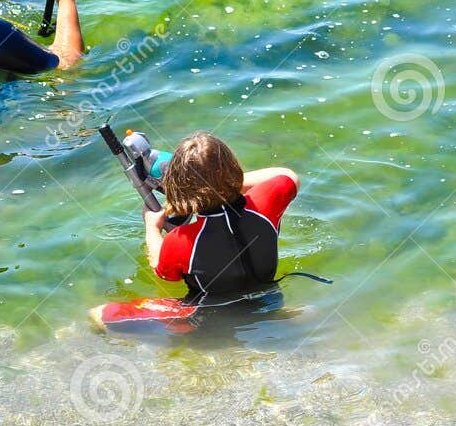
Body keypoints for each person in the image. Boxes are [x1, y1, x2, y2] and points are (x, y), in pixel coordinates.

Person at [90, 132, 299, 327]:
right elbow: (286, 174)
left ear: (181, 190)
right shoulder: (266, 205)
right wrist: (224, 184)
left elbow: (161, 269)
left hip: (207, 316)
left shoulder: (180, 240)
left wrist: (152, 228)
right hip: (269, 299)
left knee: (99, 314)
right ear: (233, 168)